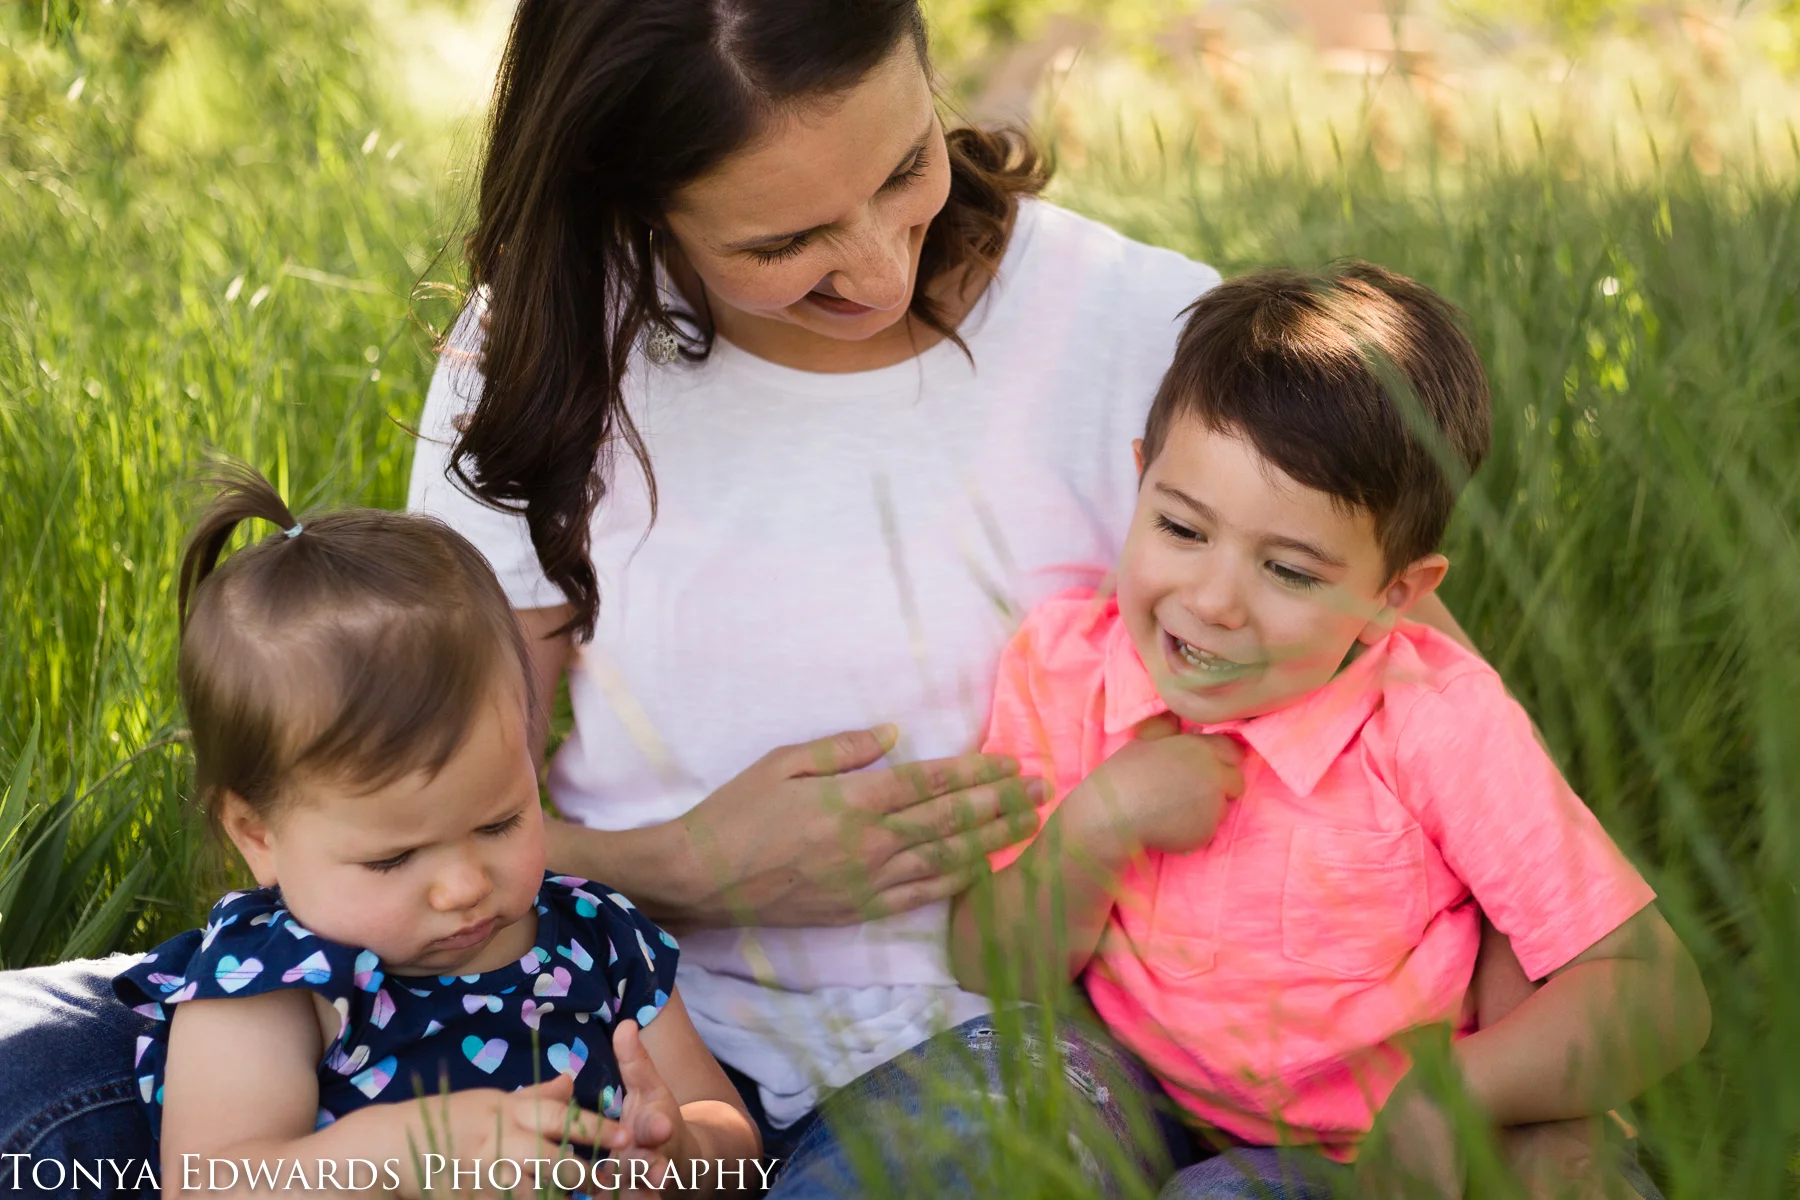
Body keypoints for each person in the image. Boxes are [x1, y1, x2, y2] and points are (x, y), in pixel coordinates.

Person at [0, 3, 1478, 1196]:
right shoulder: (540, 357)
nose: (883, 263)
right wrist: (694, 864)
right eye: (782, 244)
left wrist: (1520, 1092)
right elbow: (431, 807)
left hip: (964, 1041)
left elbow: (1437, 715)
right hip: (516, 995)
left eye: (907, 169)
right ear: (623, 206)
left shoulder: (1149, 335)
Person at [945, 264, 1712, 1199]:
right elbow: (991, 965)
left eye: (1292, 573)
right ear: (1141, 478)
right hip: (1160, 1113)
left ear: (1396, 596)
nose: (1214, 601)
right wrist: (1096, 829)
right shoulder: (1065, 670)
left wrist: (1453, 1096)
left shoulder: (1432, 723)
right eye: (1183, 529)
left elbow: (1658, 993)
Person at [113, 465, 759, 1196]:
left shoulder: (599, 938)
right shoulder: (278, 980)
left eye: (500, 821)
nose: (464, 886)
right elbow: (210, 1182)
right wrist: (400, 1153)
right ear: (257, 834)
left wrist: (685, 1150)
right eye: (392, 859)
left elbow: (732, 1134)